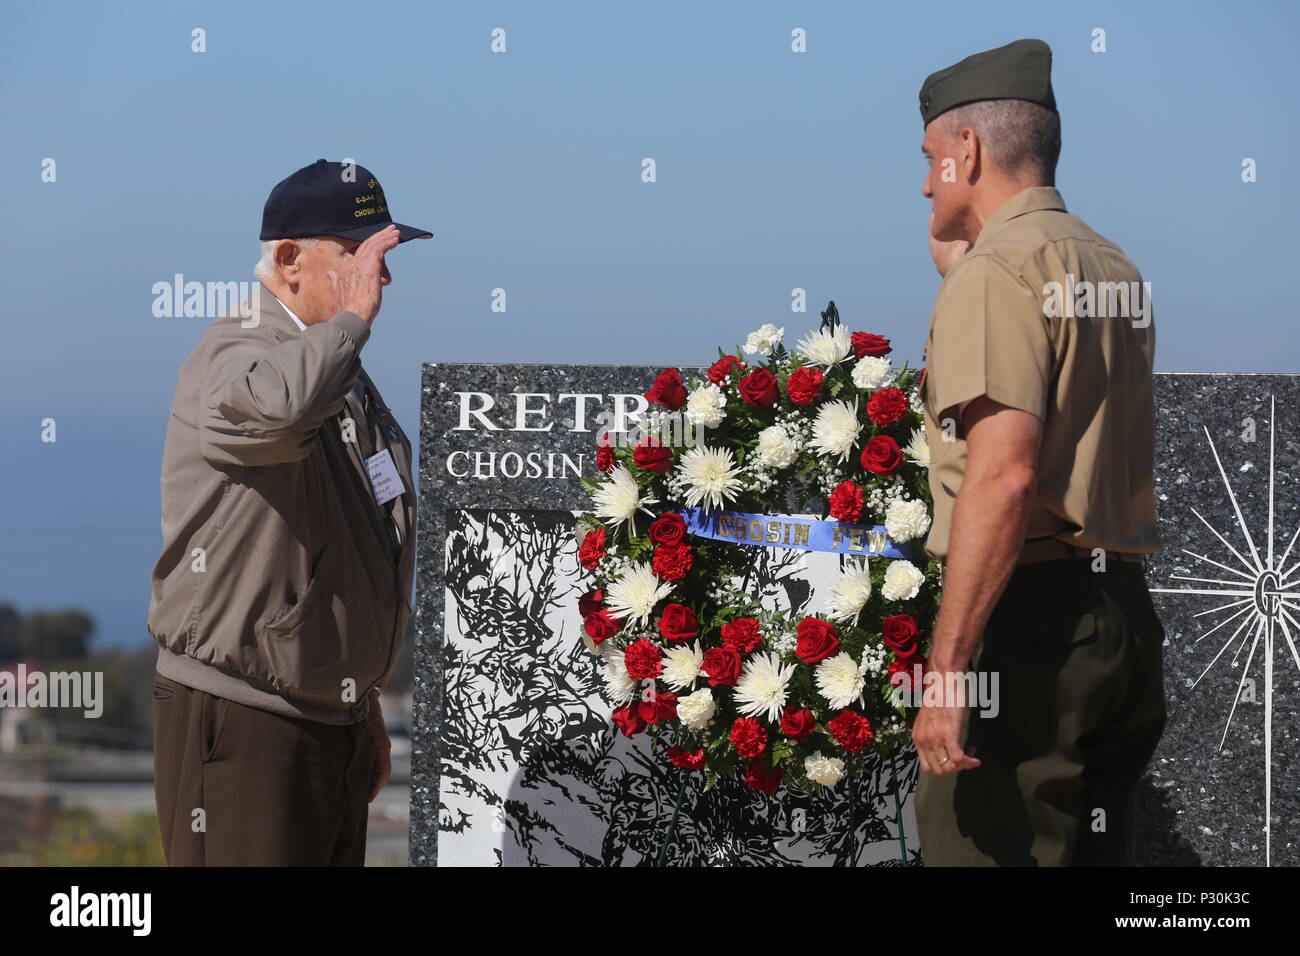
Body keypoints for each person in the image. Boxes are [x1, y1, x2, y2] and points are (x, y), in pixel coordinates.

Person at [908, 39, 1167, 866]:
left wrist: (947, 672)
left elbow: (1006, 473)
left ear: (969, 151)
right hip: (1117, 623)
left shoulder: (999, 275)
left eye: (930, 161)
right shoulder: (1110, 264)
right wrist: (962, 230)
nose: (922, 183)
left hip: (1027, 632)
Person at [147, 160, 429, 865]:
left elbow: (356, 539)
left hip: (322, 718)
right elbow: (267, 417)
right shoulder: (240, 344)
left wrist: (360, 705)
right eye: (359, 257)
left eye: (383, 261)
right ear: (290, 259)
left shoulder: (327, 361)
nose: (380, 280)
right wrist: (352, 323)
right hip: (246, 719)